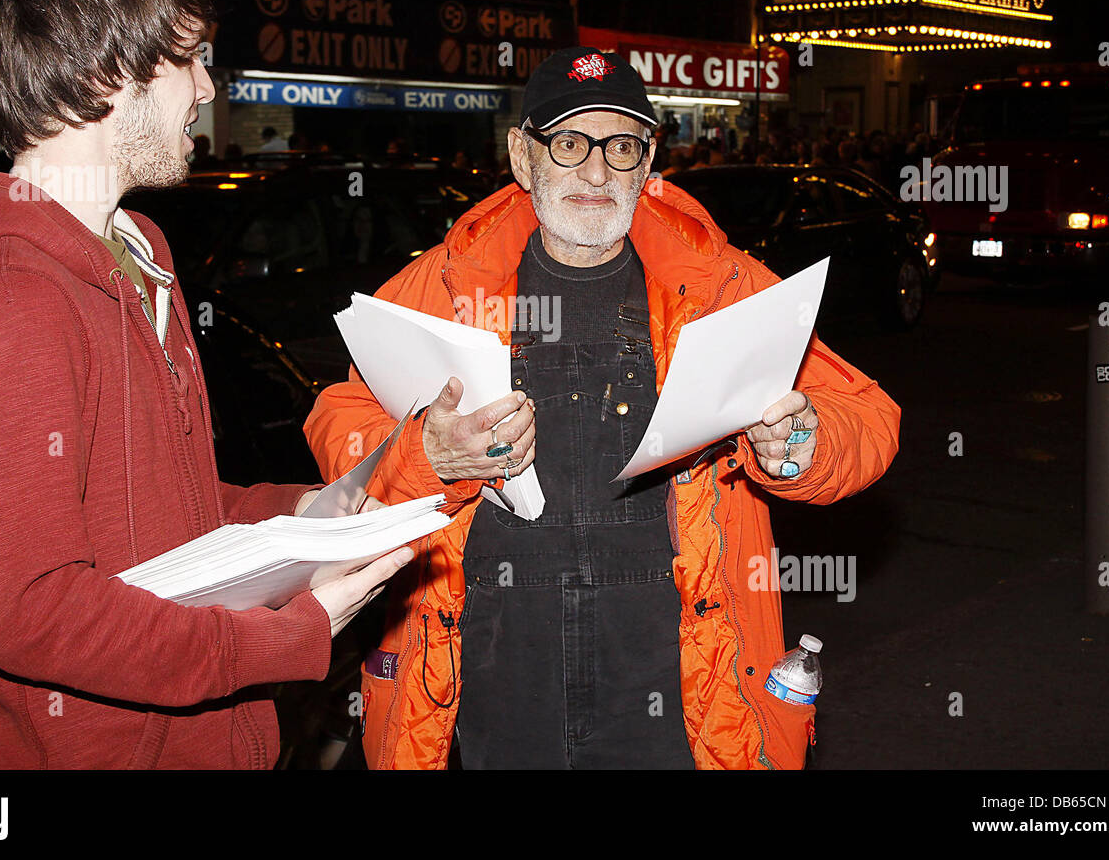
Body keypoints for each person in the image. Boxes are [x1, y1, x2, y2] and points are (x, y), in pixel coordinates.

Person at [0, 0, 408, 770]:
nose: (208, 89)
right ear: (105, 74)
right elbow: (30, 610)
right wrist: (287, 636)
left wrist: (299, 513)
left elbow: (153, 518)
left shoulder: (141, 253)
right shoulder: (13, 296)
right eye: (189, 59)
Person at [304, 46, 902, 769]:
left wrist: (803, 442)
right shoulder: (444, 284)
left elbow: (867, 417)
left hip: (675, 690)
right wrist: (421, 453)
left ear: (648, 160)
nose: (596, 171)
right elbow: (338, 418)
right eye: (569, 143)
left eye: (620, 146)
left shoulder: (721, 286)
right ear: (523, 158)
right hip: (493, 682)